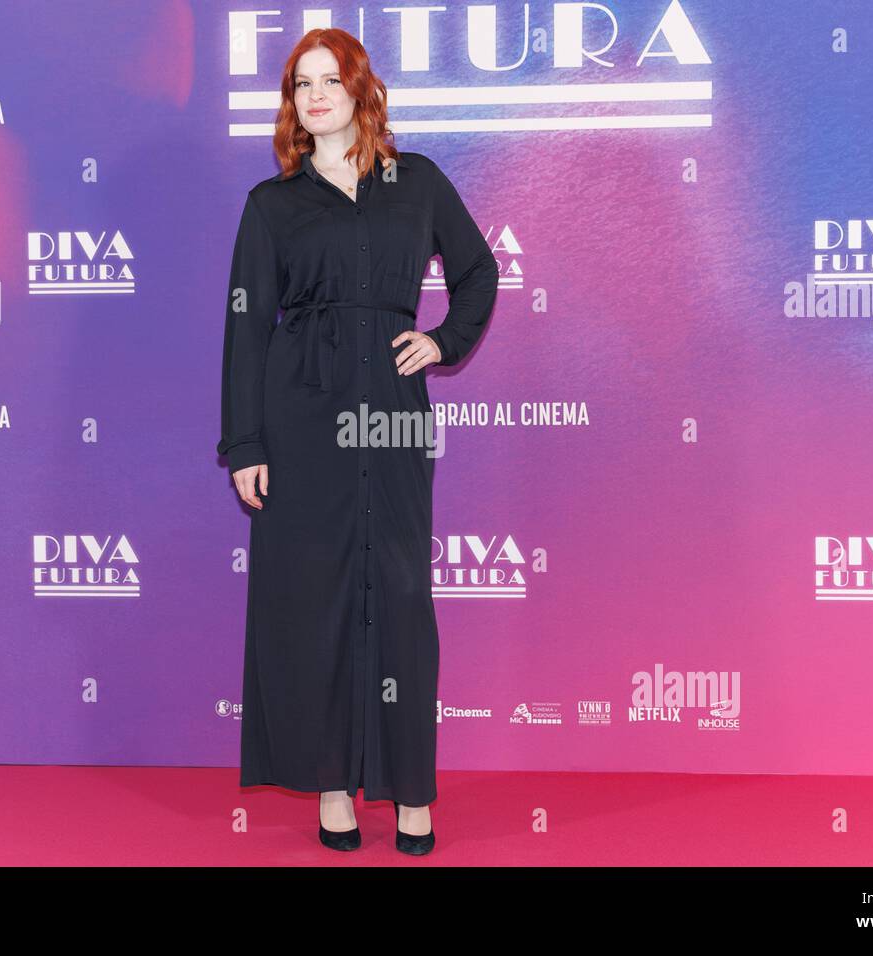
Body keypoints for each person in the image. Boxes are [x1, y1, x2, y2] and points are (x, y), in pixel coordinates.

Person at [217, 27, 498, 855]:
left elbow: (477, 272)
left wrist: (443, 341)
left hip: (394, 416)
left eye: (328, 79)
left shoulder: (417, 184)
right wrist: (245, 445)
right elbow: (245, 332)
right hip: (300, 423)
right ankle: (332, 791)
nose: (314, 95)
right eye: (300, 83)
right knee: (315, 605)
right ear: (292, 103)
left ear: (359, 88)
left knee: (404, 600)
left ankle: (414, 796)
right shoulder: (272, 205)